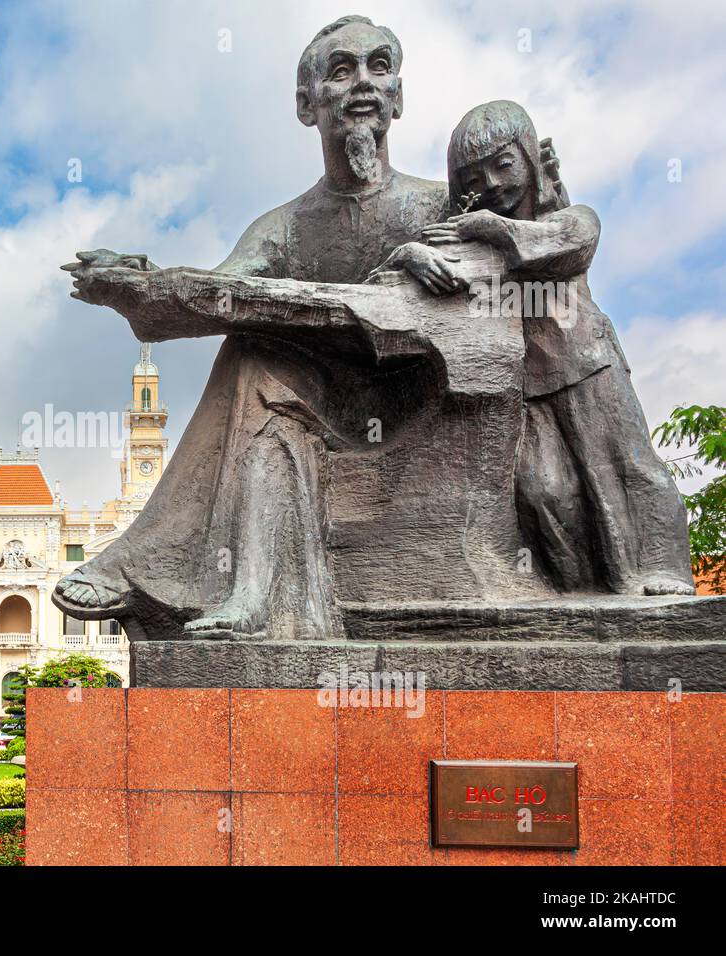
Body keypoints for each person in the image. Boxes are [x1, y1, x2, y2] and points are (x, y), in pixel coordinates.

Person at [54, 16, 462, 639]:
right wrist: (147, 284)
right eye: (341, 71)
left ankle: (157, 566)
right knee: (254, 360)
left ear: (398, 95)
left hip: (419, 400)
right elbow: (217, 295)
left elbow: (513, 275)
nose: (363, 85)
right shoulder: (285, 226)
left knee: (259, 365)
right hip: (311, 408)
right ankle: (255, 599)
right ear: (307, 104)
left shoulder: (442, 204)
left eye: (379, 68)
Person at [419, 100, 693, 595]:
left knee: (628, 465)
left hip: (588, 362)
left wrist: (493, 230)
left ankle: (663, 568)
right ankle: (576, 588)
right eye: (475, 177)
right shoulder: (468, 239)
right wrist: (414, 254)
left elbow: (570, 245)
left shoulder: (570, 219)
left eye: (503, 164)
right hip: (521, 378)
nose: (494, 184)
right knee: (543, 490)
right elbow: (426, 278)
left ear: (529, 157)